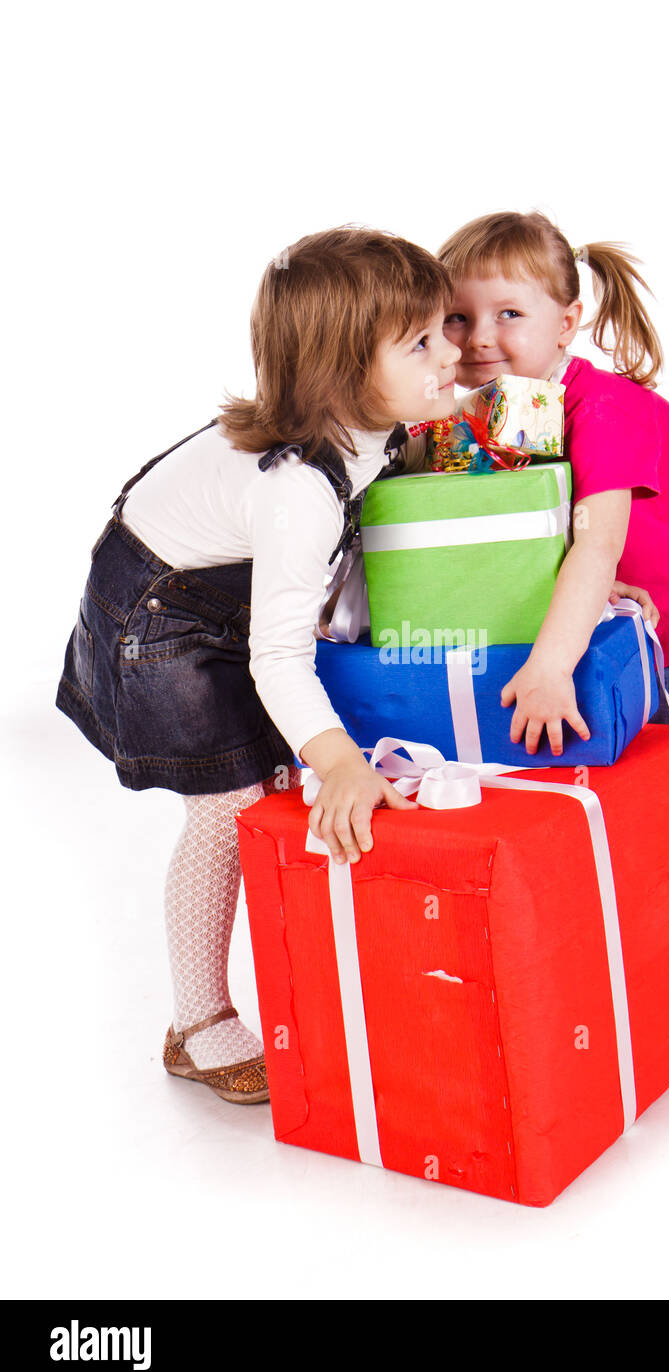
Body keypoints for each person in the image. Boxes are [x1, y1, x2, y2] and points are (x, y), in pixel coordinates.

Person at [55, 227, 461, 1101]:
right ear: (348, 372)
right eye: (422, 342)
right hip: (158, 617)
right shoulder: (295, 490)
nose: (451, 352)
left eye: (445, 330)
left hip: (217, 595)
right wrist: (342, 762)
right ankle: (197, 1024)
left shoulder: (366, 428)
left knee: (270, 773)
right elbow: (279, 658)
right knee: (231, 802)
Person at [437, 211, 669, 905]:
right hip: (617, 613)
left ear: (566, 322)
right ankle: (650, 914)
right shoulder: (497, 413)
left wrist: (551, 664)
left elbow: (598, 535)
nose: (482, 337)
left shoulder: (606, 409)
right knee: (636, 780)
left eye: (509, 313)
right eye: (459, 318)